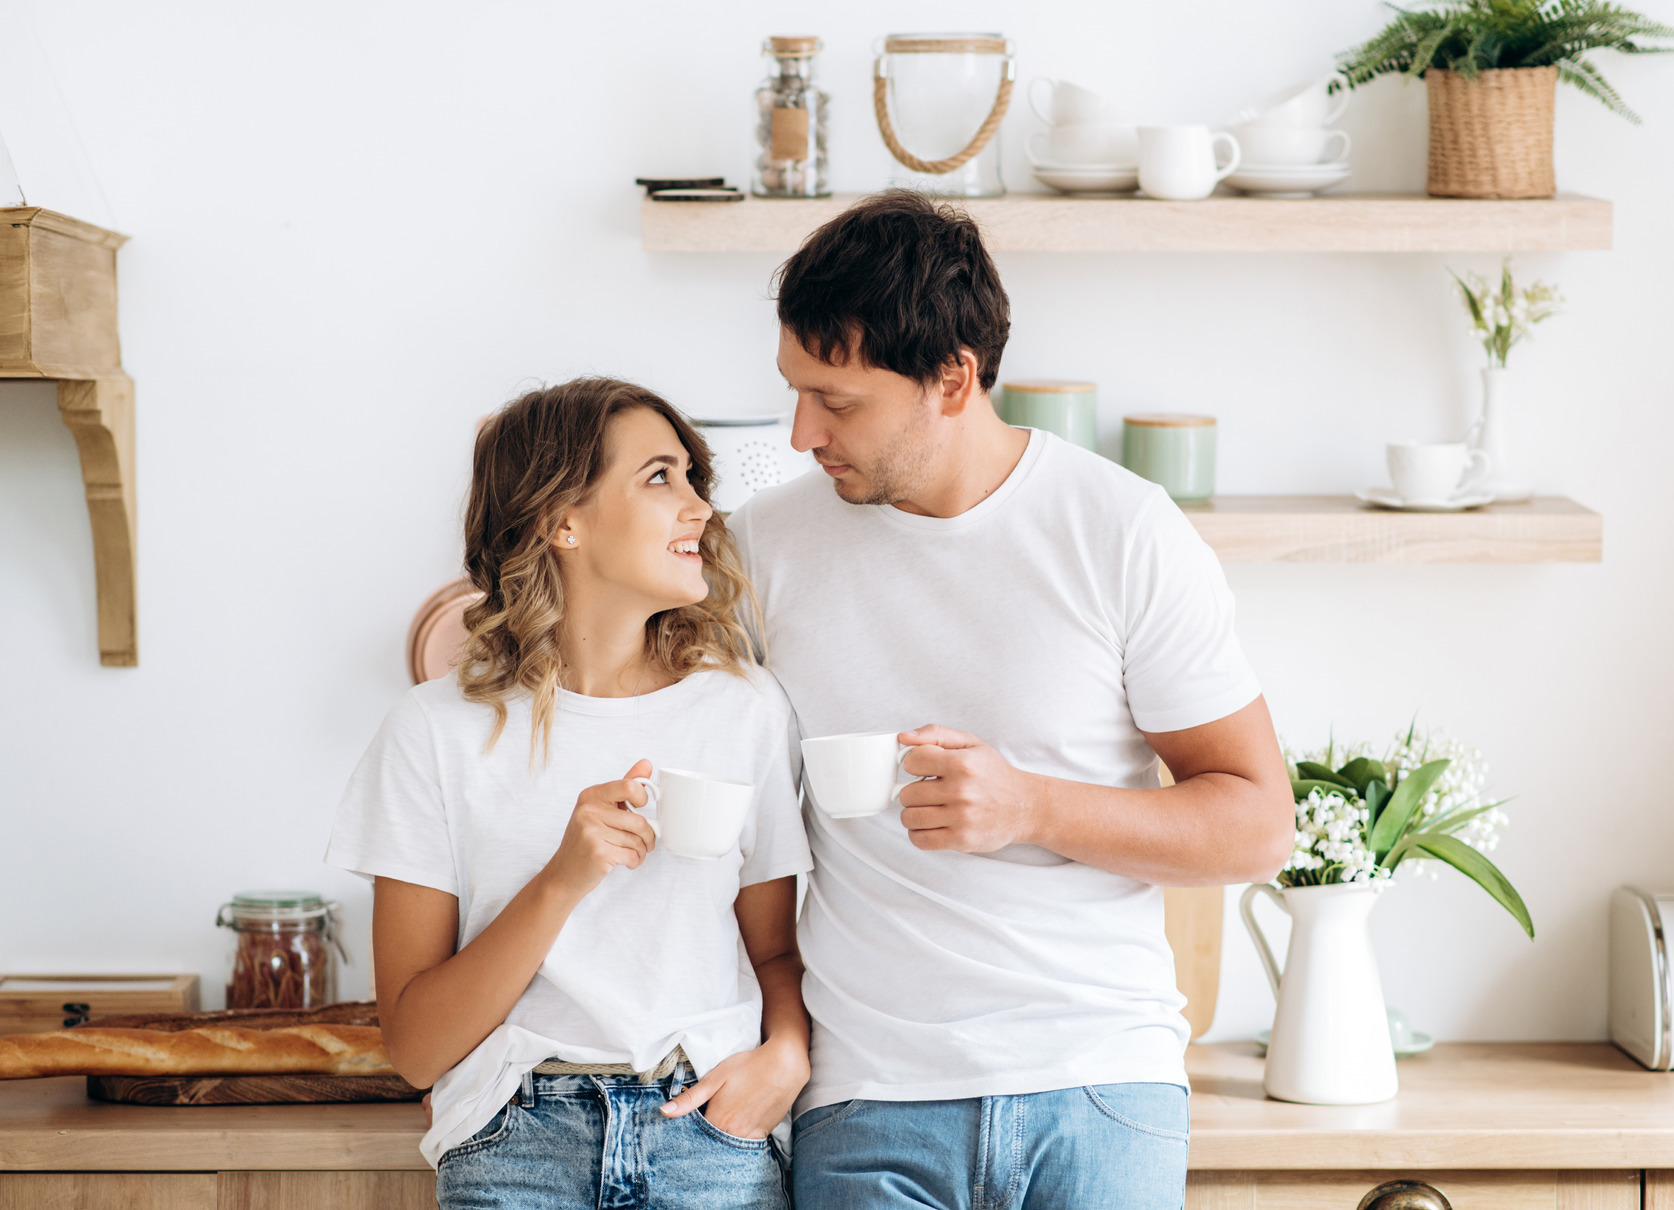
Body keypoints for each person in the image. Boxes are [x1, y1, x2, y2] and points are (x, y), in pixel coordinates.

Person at [729, 190, 1296, 1210]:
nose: (803, 430)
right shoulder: (767, 546)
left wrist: (1031, 807)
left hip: (1097, 1079)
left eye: (839, 400)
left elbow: (1255, 825)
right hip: (867, 1091)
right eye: (795, 391)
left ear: (951, 378)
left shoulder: (1119, 529)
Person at [326, 378, 811, 1210]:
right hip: (514, 1142)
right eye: (661, 477)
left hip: (710, 1134)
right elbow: (414, 1047)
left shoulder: (745, 708)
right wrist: (560, 882)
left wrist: (788, 1057)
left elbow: (773, 953)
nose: (700, 507)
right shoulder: (434, 731)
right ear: (562, 520)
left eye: (695, 479)